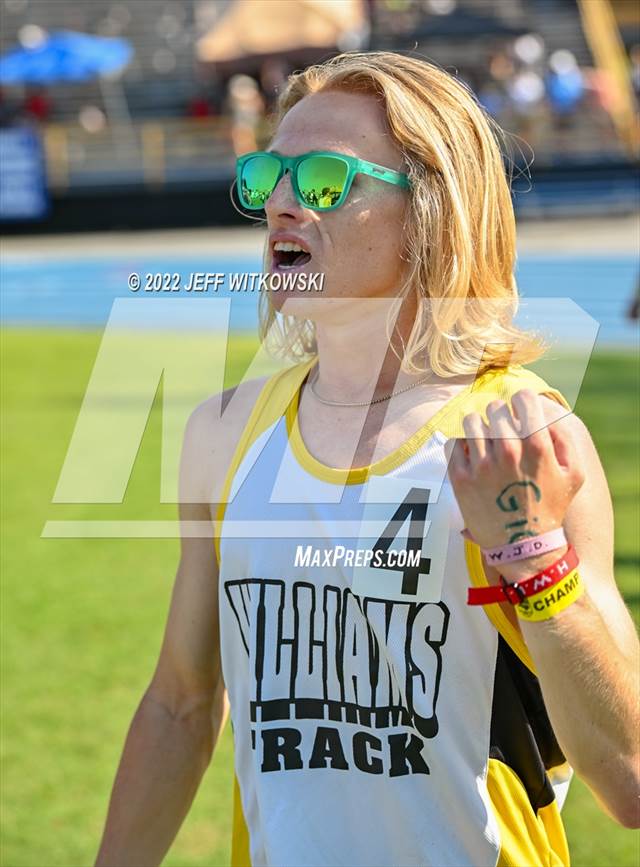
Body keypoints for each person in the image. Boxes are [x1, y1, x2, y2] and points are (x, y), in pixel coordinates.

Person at [95, 52, 640, 867]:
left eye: (321, 179)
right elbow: (179, 706)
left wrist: (533, 556)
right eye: (267, 175)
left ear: (431, 208)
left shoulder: (521, 437)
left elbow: (627, 778)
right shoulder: (225, 432)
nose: (280, 202)